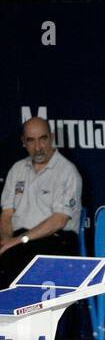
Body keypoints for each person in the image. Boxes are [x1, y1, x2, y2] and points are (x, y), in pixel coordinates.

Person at [0, 117, 83, 288]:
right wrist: (6, 240)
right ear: (23, 142)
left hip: (54, 239)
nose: (38, 147)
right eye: (31, 140)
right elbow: (7, 214)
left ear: (51, 137)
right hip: (20, 239)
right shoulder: (17, 169)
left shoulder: (67, 172)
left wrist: (17, 242)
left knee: (16, 262)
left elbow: (58, 221)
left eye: (43, 139)